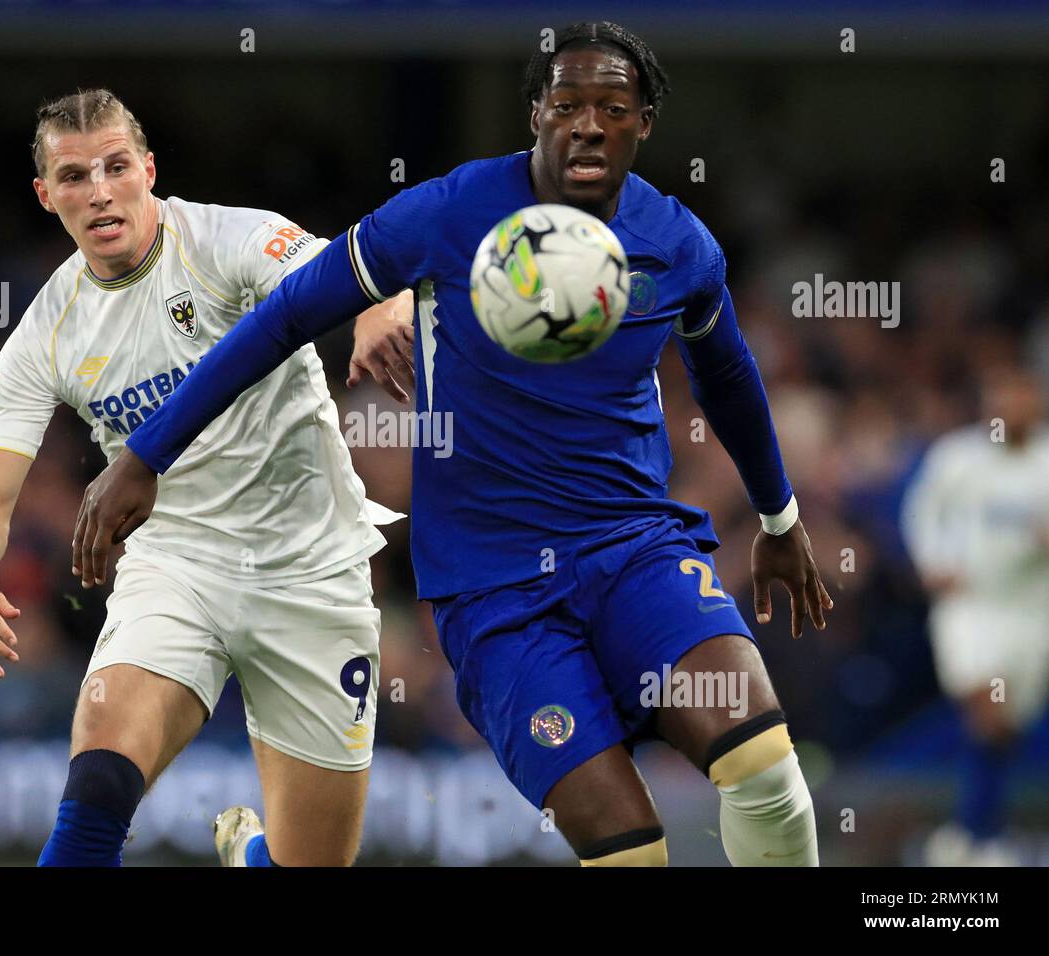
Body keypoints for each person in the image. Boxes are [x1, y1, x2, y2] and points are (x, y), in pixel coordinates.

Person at [75, 23, 833, 866]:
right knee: (633, 856)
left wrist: (777, 518)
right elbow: (288, 316)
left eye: (613, 108)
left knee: (764, 764)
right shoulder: (447, 213)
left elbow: (726, 376)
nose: (588, 124)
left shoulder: (678, 244)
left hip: (634, 551)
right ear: (536, 113)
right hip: (496, 594)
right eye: (567, 103)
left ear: (643, 123)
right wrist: (146, 454)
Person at [0, 89, 400, 867]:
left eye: (117, 167)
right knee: (96, 787)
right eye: (75, 176)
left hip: (311, 569)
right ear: (46, 195)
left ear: (148, 170)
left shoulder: (229, 239)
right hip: (176, 567)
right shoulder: (43, 334)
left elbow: (348, 273)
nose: (100, 191)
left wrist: (371, 310)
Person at [903, 366, 1049, 866]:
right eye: (1000, 397)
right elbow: (923, 512)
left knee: (1004, 726)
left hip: (1031, 613)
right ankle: (981, 837)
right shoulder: (958, 458)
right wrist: (932, 562)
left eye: (1022, 396)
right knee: (986, 707)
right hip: (970, 607)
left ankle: (972, 835)